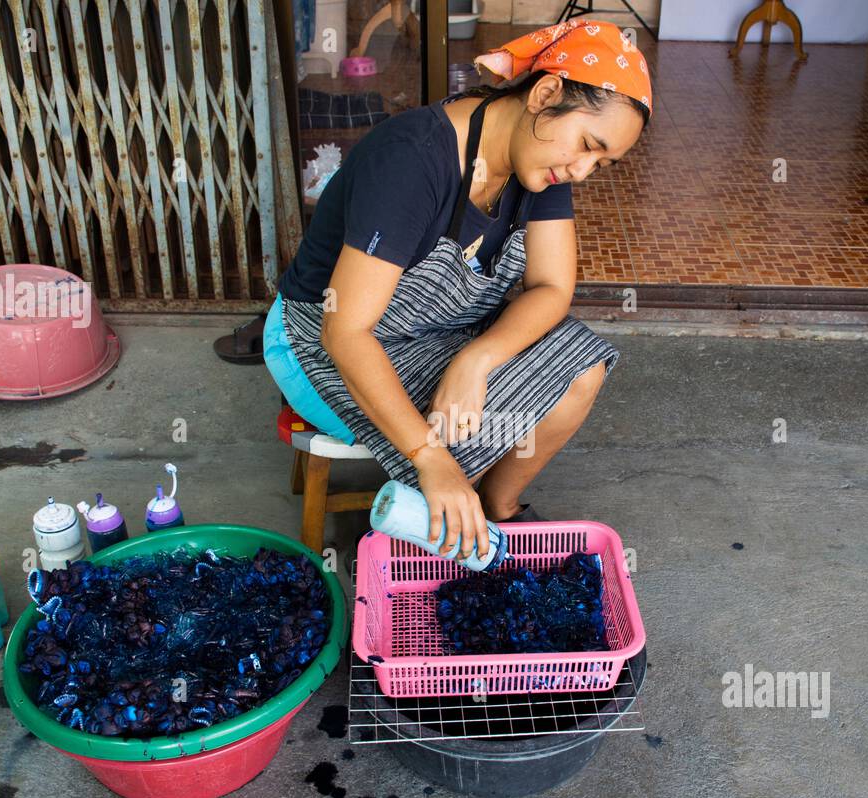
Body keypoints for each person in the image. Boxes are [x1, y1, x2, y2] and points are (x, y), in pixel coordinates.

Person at [263, 18, 653, 562]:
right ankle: (449, 504)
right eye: (587, 145)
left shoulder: (540, 165)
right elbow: (345, 330)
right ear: (545, 94)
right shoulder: (413, 159)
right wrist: (429, 458)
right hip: (320, 342)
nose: (584, 171)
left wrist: (478, 358)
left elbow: (551, 286)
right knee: (453, 440)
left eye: (602, 163)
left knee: (581, 364)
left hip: (441, 332)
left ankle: (500, 504)